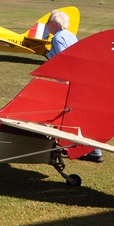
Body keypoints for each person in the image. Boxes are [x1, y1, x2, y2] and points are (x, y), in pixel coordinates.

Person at [46, 9, 103, 163]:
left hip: (67, 83)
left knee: (66, 114)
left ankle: (92, 151)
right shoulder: (70, 35)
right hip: (79, 81)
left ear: (55, 24)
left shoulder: (58, 38)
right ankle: (90, 150)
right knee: (75, 115)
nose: (46, 25)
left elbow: (65, 61)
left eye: (48, 22)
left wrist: (65, 84)